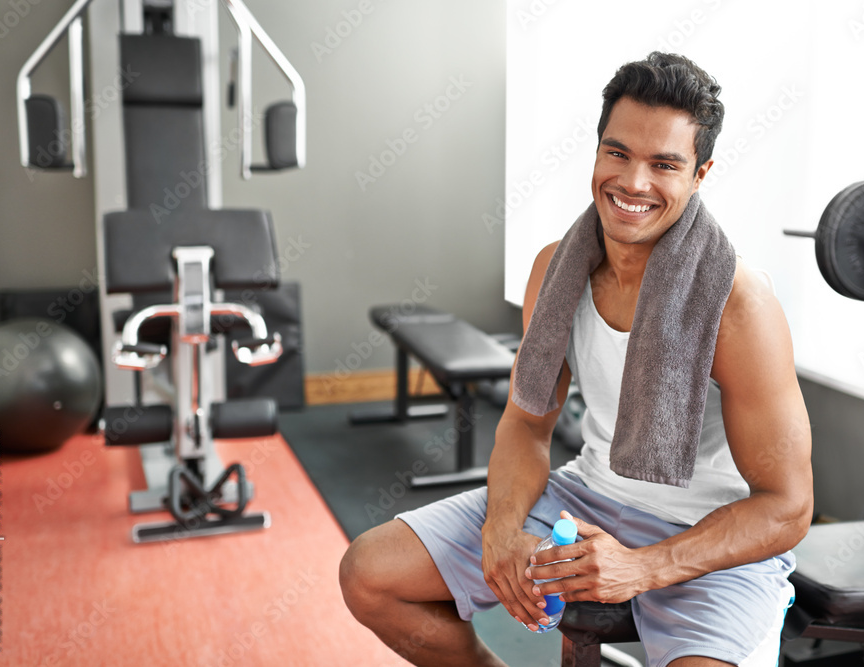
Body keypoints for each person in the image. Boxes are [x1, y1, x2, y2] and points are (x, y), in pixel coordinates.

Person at [340, 52, 813, 667]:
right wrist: (504, 529)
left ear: (700, 174)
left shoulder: (738, 305)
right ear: (596, 153)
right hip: (588, 496)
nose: (634, 183)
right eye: (618, 153)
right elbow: (526, 422)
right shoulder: (555, 271)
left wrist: (640, 568)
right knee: (370, 574)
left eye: (664, 164)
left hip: (713, 535)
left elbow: (787, 505)